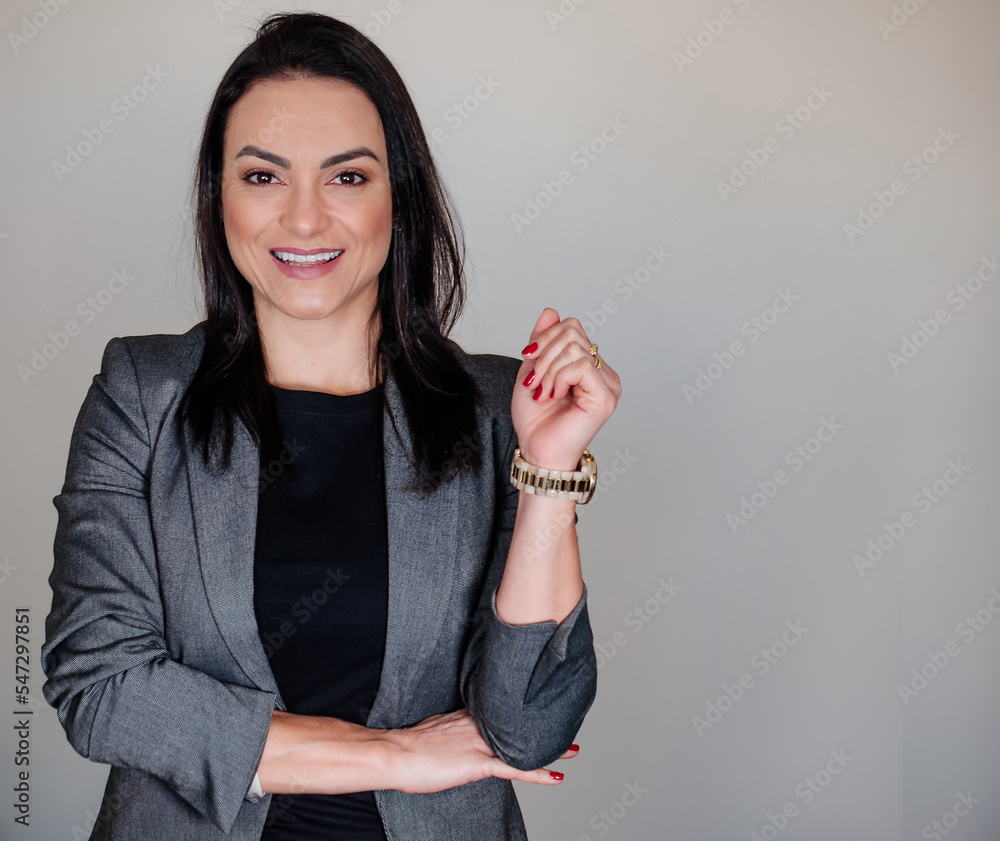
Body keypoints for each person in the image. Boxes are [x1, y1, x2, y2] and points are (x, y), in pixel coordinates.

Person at [40, 12, 621, 841]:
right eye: (263, 177)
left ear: (399, 195)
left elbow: (528, 728)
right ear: (219, 196)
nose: (304, 220)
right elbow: (99, 690)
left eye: (347, 177)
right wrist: (394, 755)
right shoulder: (141, 393)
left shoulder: (497, 407)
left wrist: (549, 473)